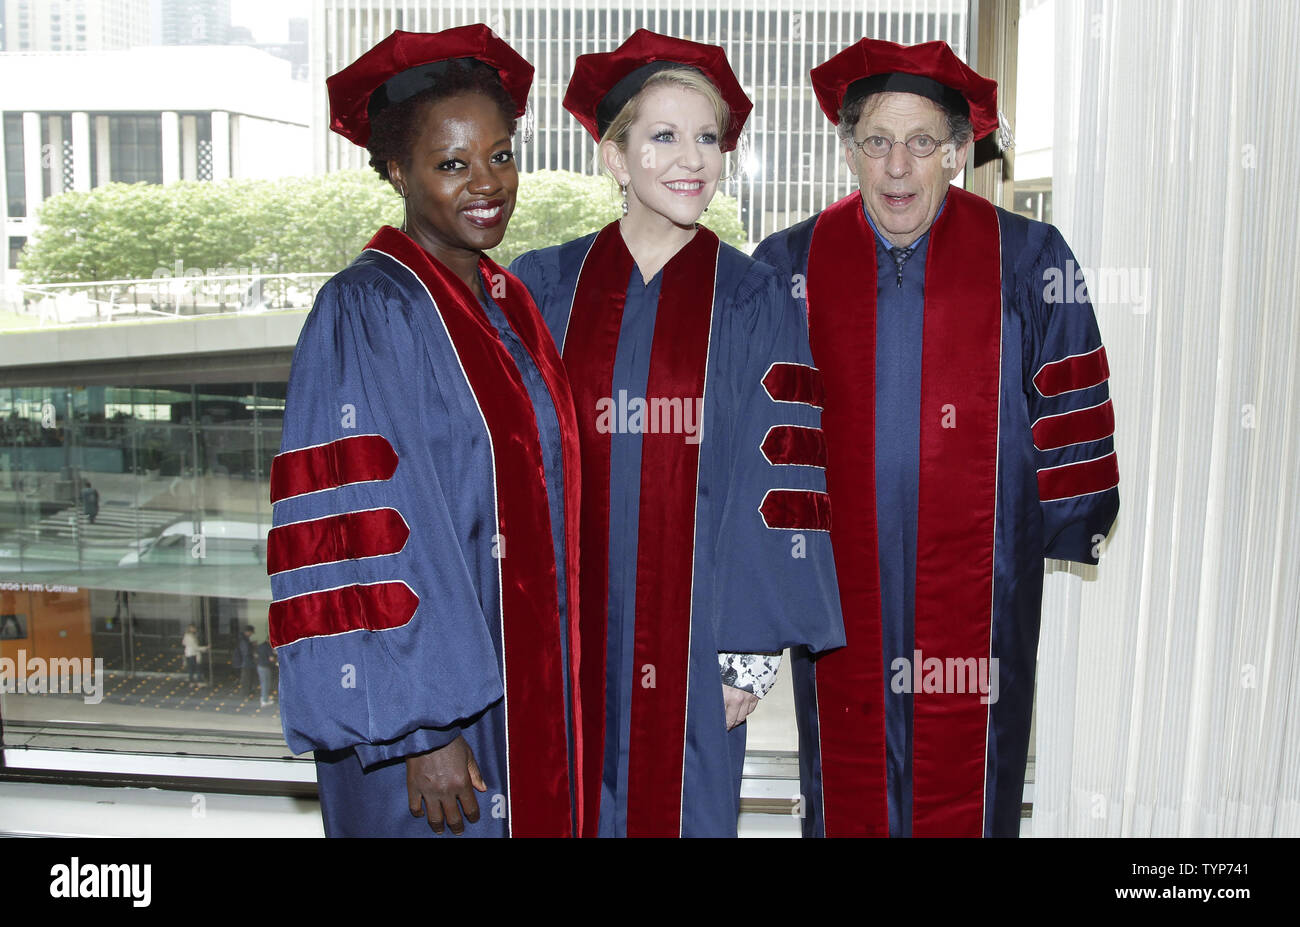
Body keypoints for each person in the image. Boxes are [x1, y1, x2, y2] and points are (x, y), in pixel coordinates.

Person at [754, 38, 1120, 837]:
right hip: (837, 590)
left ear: (958, 151)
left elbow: (1073, 405)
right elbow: (764, 441)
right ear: (848, 148)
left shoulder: (1028, 256)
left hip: (981, 581)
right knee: (845, 774)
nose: (896, 167)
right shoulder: (789, 263)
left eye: (922, 143)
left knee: (975, 769)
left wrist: (1071, 518)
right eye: (876, 141)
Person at [511, 29, 844, 838]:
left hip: (698, 640)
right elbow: (516, 471)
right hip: (565, 632)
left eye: (708, 138)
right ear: (616, 158)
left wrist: (750, 649)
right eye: (663, 136)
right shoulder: (542, 284)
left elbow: (782, 470)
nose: (692, 158)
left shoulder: (756, 295)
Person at [267, 26, 584, 838]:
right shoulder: (368, 308)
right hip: (429, 720)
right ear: (397, 171)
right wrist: (421, 729)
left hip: (525, 686)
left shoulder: (509, 305)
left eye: (501, 154)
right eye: (452, 164)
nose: (487, 183)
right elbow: (354, 527)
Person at [254, 635, 276, 707]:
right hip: (265, 667)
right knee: (266, 684)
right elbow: (271, 659)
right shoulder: (268, 647)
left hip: (259, 666)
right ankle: (264, 701)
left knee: (263, 683)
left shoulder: (260, 645)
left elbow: (255, 655)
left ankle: (264, 698)